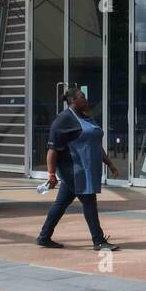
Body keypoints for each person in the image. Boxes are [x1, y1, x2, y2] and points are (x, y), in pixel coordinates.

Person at [38, 87, 121, 250]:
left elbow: (95, 144)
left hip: (86, 170)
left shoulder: (86, 118)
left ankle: (44, 236)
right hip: (73, 170)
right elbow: (52, 150)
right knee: (89, 201)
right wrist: (51, 174)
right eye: (82, 97)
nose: (86, 100)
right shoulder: (63, 120)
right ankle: (98, 241)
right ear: (73, 101)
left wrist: (110, 164)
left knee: (61, 203)